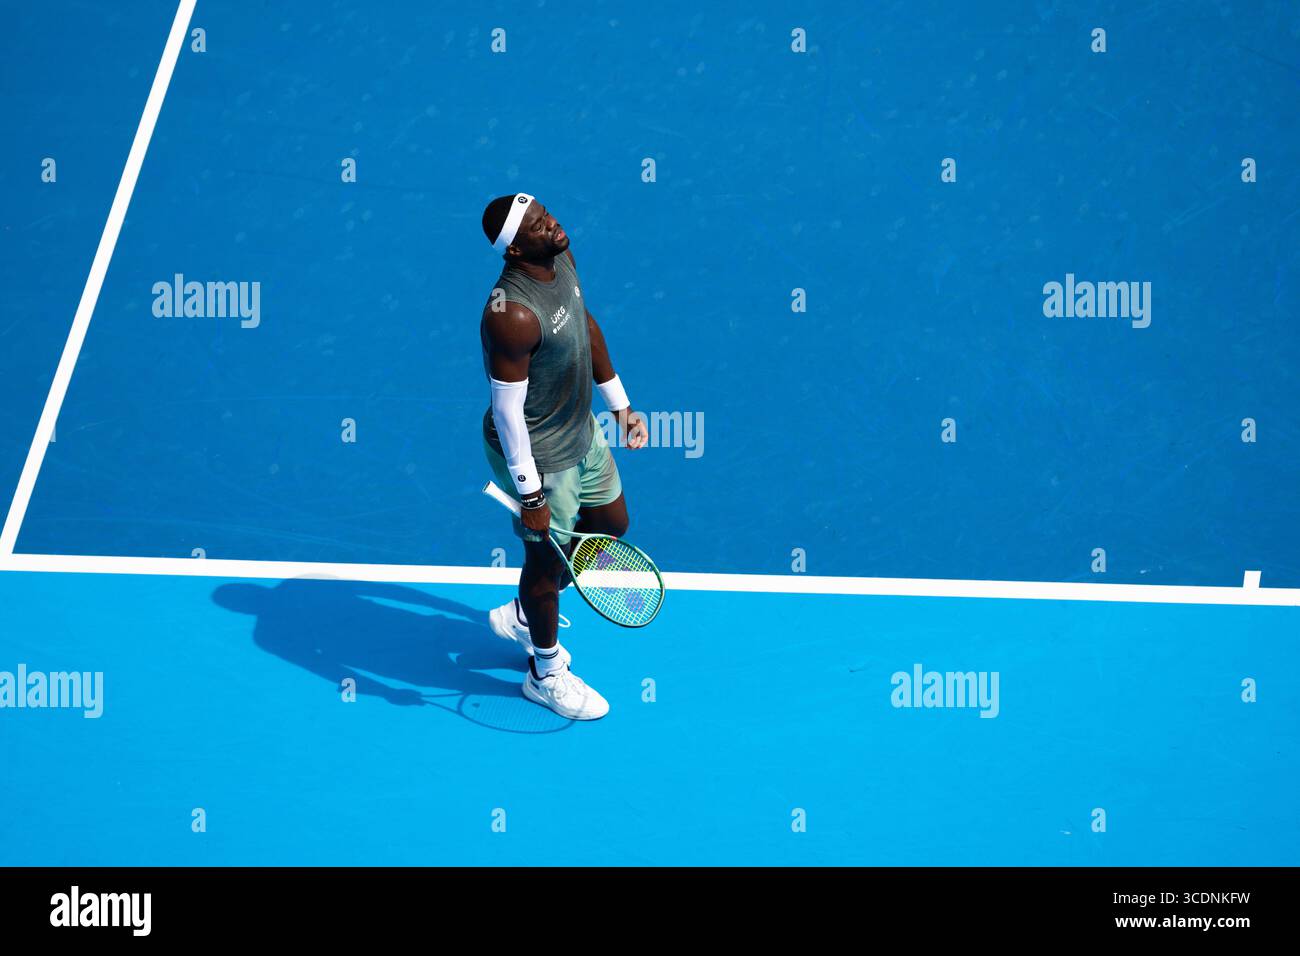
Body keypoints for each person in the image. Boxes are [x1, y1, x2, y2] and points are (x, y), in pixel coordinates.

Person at [479, 193, 647, 720]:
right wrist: (530, 492)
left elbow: (583, 324)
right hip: (539, 455)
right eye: (536, 224)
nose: (552, 224)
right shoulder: (511, 315)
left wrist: (619, 405)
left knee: (610, 525)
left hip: (580, 431)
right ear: (512, 251)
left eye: (547, 213)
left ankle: (528, 615)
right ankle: (544, 673)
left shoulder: (561, 257)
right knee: (545, 561)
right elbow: (507, 416)